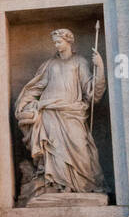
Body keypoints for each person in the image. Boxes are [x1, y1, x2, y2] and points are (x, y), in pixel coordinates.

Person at [15, 29, 106, 196]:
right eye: (55, 42)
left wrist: (99, 67)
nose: (56, 45)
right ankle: (58, 186)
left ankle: (82, 185)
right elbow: (36, 87)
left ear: (68, 41)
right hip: (50, 112)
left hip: (72, 112)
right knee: (54, 150)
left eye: (59, 41)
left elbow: (91, 91)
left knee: (81, 148)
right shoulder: (49, 65)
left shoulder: (80, 62)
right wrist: (24, 102)